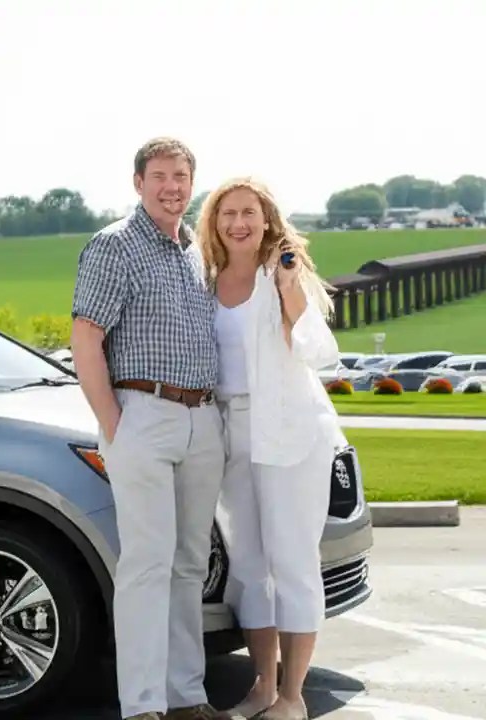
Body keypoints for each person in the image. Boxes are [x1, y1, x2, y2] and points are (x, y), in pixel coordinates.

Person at [71, 138, 231, 720]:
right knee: (146, 563)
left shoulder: (196, 252)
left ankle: (186, 697)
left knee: (191, 562)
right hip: (144, 414)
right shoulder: (115, 246)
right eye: (160, 175)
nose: (172, 187)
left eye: (182, 177)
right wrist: (114, 425)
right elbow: (85, 337)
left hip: (202, 420)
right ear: (138, 182)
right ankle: (141, 706)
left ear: (192, 184)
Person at [194, 177, 346, 720]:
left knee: (292, 562)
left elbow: (320, 351)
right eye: (227, 212)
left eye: (248, 213)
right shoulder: (206, 280)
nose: (238, 222)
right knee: (249, 566)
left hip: (291, 431)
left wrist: (289, 292)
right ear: (213, 221)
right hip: (232, 431)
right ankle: (262, 687)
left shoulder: (279, 274)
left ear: (266, 220)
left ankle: (292, 697)